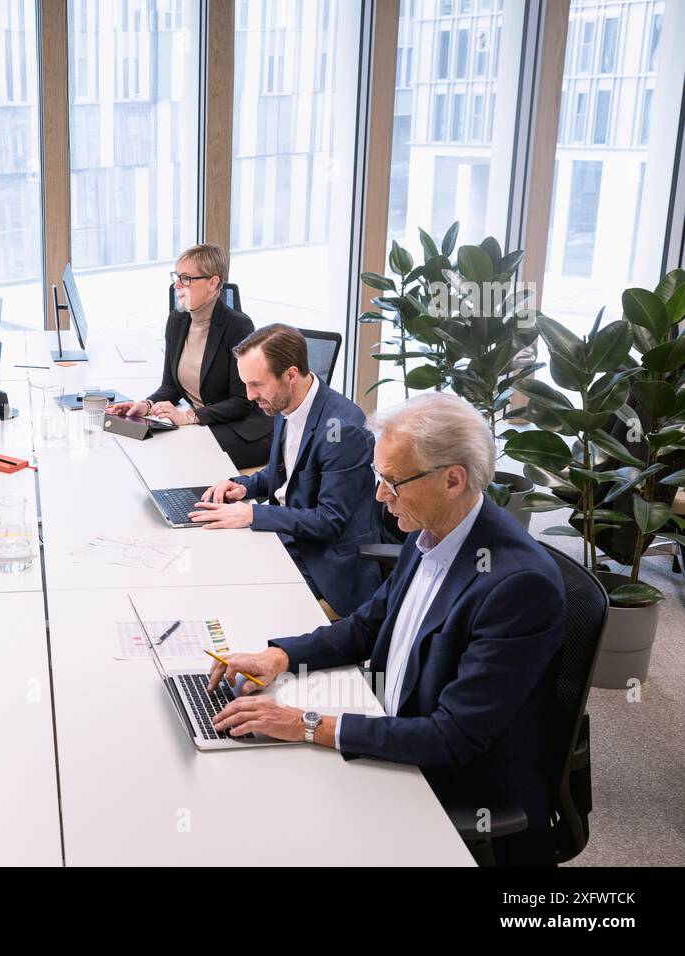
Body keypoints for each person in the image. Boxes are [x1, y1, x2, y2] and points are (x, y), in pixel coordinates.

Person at [207, 393, 566, 866]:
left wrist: (306, 724)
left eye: (393, 482)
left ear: (453, 479)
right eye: (380, 478)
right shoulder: (430, 530)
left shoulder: (518, 587)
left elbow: (451, 738)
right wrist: (280, 657)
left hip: (446, 778)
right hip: (388, 720)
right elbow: (368, 625)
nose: (379, 496)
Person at [190, 323, 382, 618]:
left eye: (257, 384)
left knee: (241, 600)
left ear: (290, 375)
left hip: (326, 561)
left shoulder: (342, 430)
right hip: (290, 534)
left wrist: (253, 514)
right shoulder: (284, 403)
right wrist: (244, 487)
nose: (250, 395)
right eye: (246, 384)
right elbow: (286, 474)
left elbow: (329, 521)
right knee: (211, 559)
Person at [106, 244, 271, 469]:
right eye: (176, 276)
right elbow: (171, 385)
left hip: (242, 428)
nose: (176, 285)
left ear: (213, 283)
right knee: (133, 433)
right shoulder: (177, 321)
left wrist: (191, 417)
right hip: (202, 423)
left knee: (173, 451)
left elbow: (242, 402)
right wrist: (147, 404)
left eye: (186, 278)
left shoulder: (238, 326)